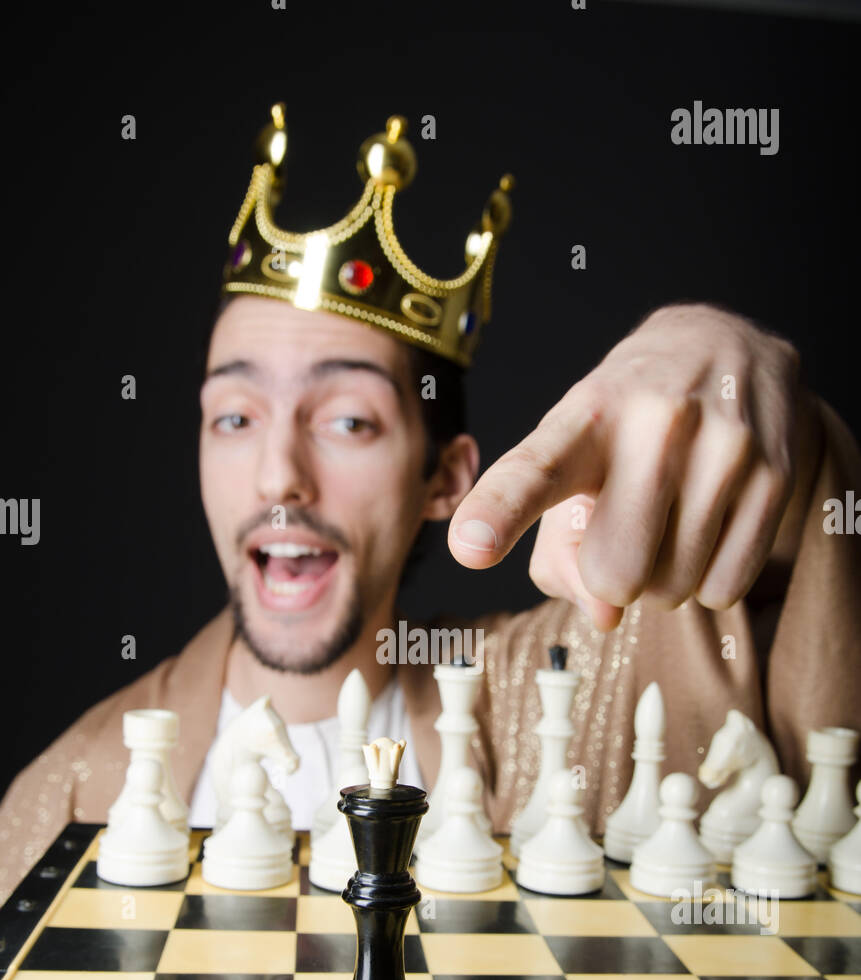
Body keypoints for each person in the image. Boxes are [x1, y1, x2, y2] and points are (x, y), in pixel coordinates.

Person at [0, 106, 859, 905]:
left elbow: (785, 608)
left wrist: (718, 360)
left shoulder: (558, 690)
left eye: (347, 419)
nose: (276, 477)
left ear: (446, 478)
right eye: (234, 416)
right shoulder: (64, 791)